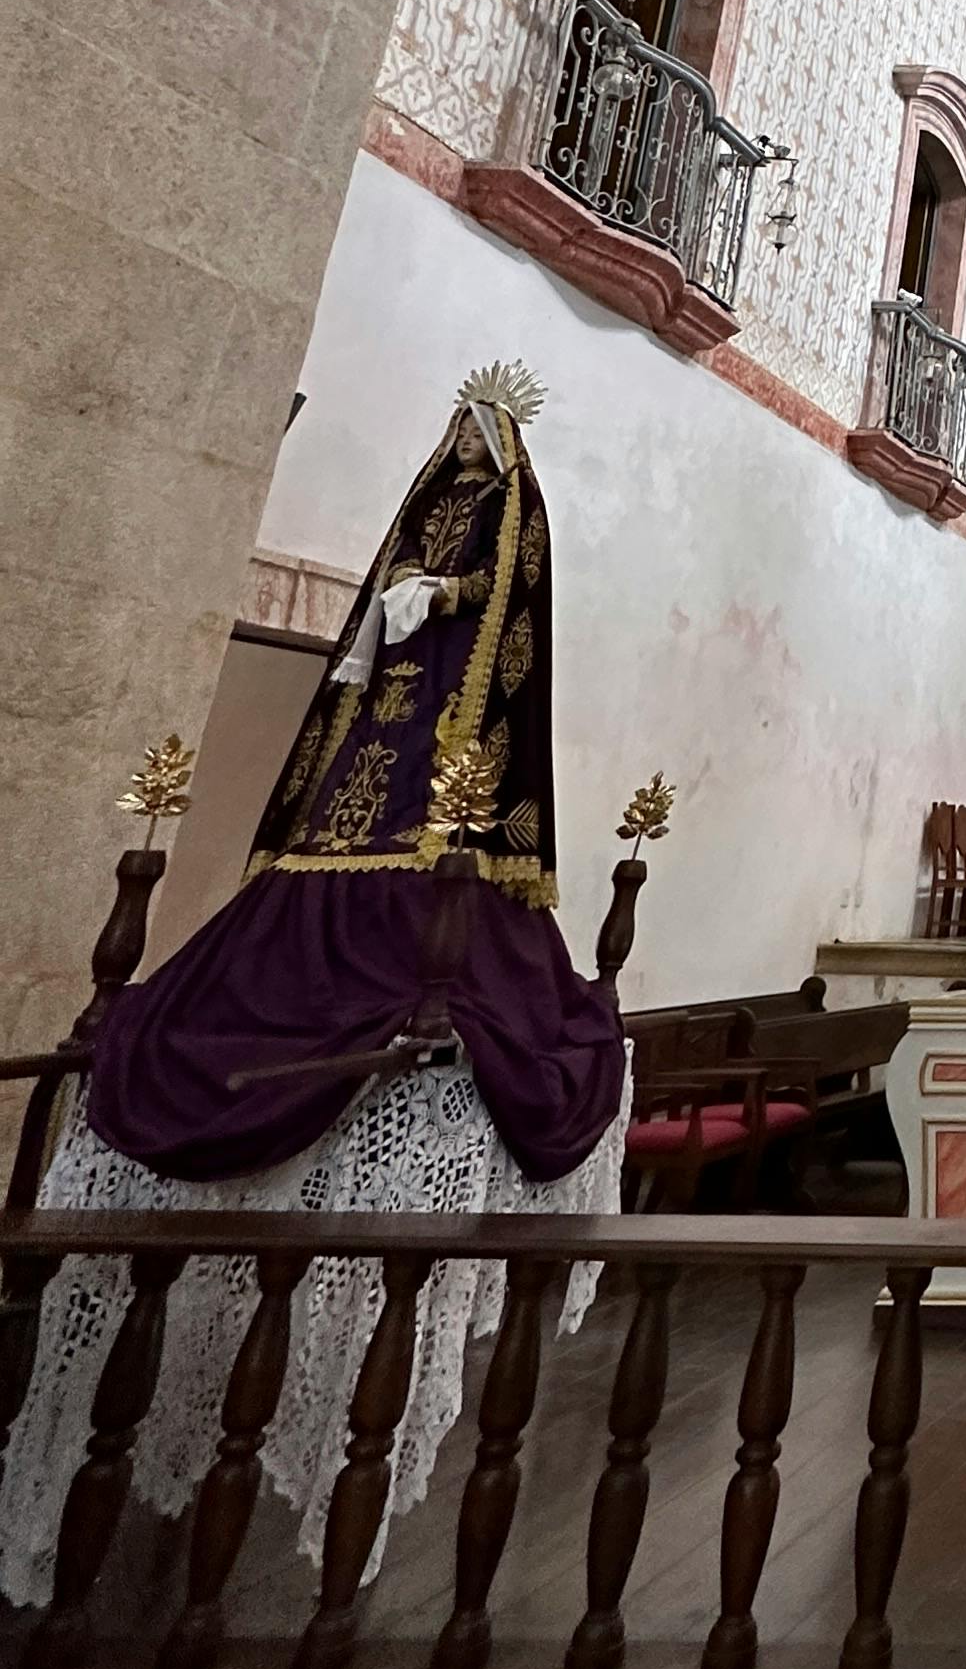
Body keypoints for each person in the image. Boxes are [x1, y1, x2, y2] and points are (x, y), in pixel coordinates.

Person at [82, 364, 626, 1185]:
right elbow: (393, 566)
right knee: (367, 759)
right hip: (399, 663)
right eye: (464, 430)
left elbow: (509, 584)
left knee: (431, 780)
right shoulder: (434, 500)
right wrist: (402, 586)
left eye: (482, 433)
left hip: (452, 662)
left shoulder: (510, 508)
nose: (469, 442)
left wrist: (444, 595)